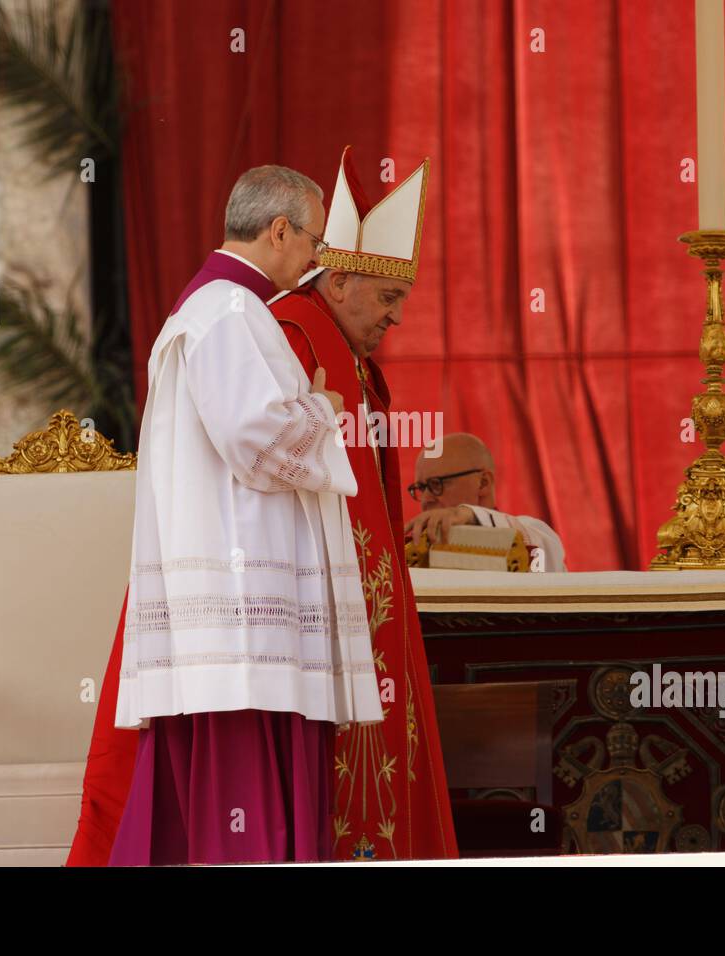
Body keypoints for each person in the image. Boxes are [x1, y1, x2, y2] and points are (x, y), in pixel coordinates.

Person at [71, 164, 382, 866]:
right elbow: (256, 439)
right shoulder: (231, 313)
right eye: (312, 242)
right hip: (247, 615)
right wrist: (324, 410)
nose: (315, 261)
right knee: (247, 798)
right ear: (278, 230)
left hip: (237, 609)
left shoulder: (213, 310)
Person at [269, 147, 457, 859]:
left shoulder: (343, 352)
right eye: (387, 298)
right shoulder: (290, 333)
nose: (397, 317)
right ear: (339, 279)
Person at [404, 433, 567, 571]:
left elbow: (545, 553)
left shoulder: (532, 533)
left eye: (436, 484)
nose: (425, 499)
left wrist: (468, 513)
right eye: (421, 487)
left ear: (483, 483)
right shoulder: (414, 555)